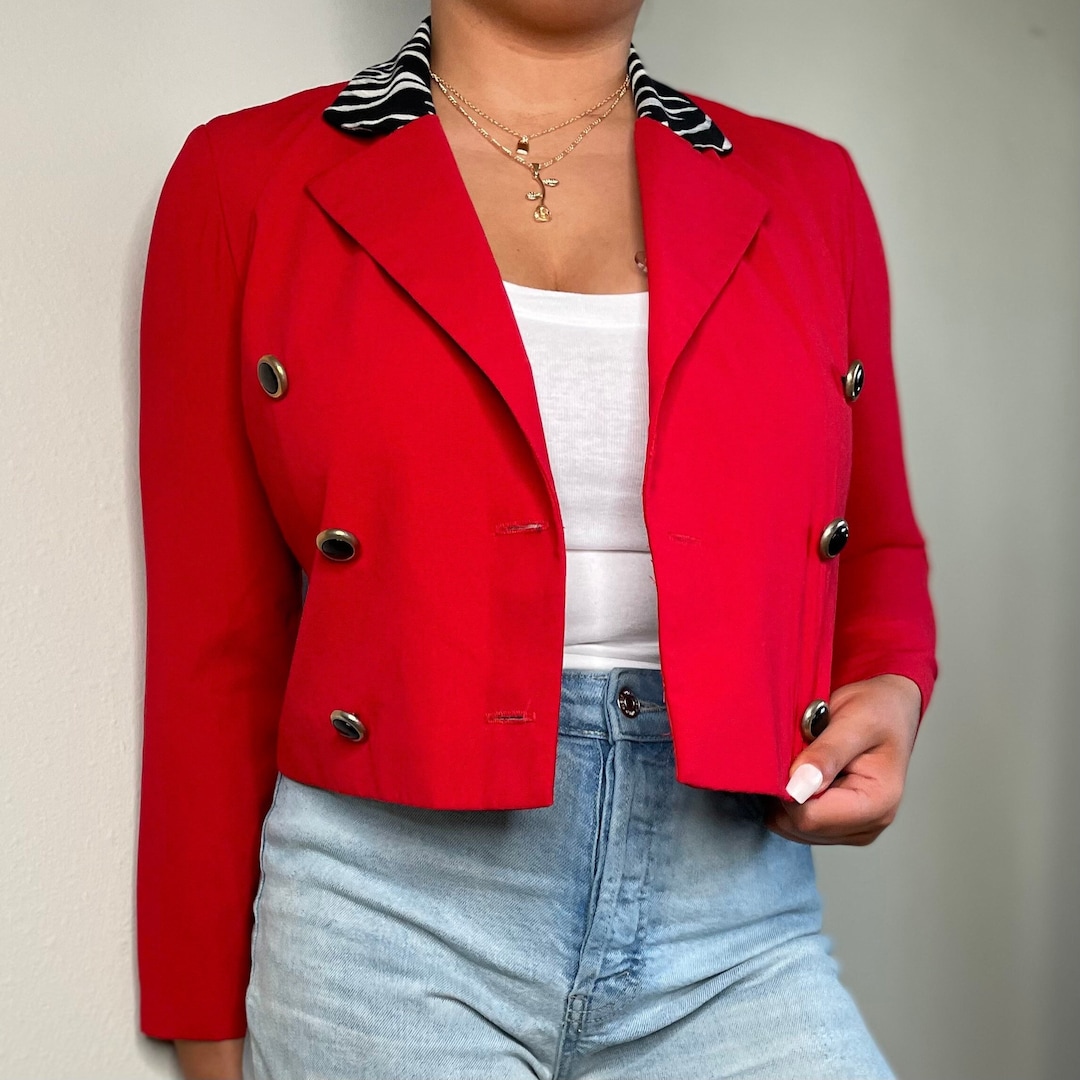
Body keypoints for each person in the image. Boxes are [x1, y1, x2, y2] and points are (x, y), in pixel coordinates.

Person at [136, 2, 937, 1078]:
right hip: (387, 921)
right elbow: (213, 634)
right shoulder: (246, 177)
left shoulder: (810, 189)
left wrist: (888, 685)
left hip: (738, 919)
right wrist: (205, 1031)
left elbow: (876, 540)